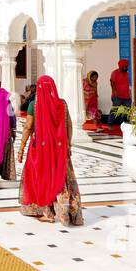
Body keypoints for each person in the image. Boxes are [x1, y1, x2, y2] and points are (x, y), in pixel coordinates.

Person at [18, 75, 81, 224]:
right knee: (61, 178)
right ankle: (66, 211)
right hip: (60, 151)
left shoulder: (34, 105)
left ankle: (47, 211)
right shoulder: (62, 104)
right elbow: (69, 126)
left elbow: (28, 127)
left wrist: (21, 148)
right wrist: (68, 145)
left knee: (41, 177)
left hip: (40, 150)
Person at [109, 59, 131, 126]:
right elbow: (112, 82)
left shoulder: (127, 73)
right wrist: (114, 92)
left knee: (127, 111)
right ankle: (110, 123)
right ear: (120, 66)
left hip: (126, 96)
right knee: (114, 110)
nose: (126, 67)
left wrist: (129, 93)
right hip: (117, 96)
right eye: (124, 66)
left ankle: (126, 125)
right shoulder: (115, 73)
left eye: (126, 66)